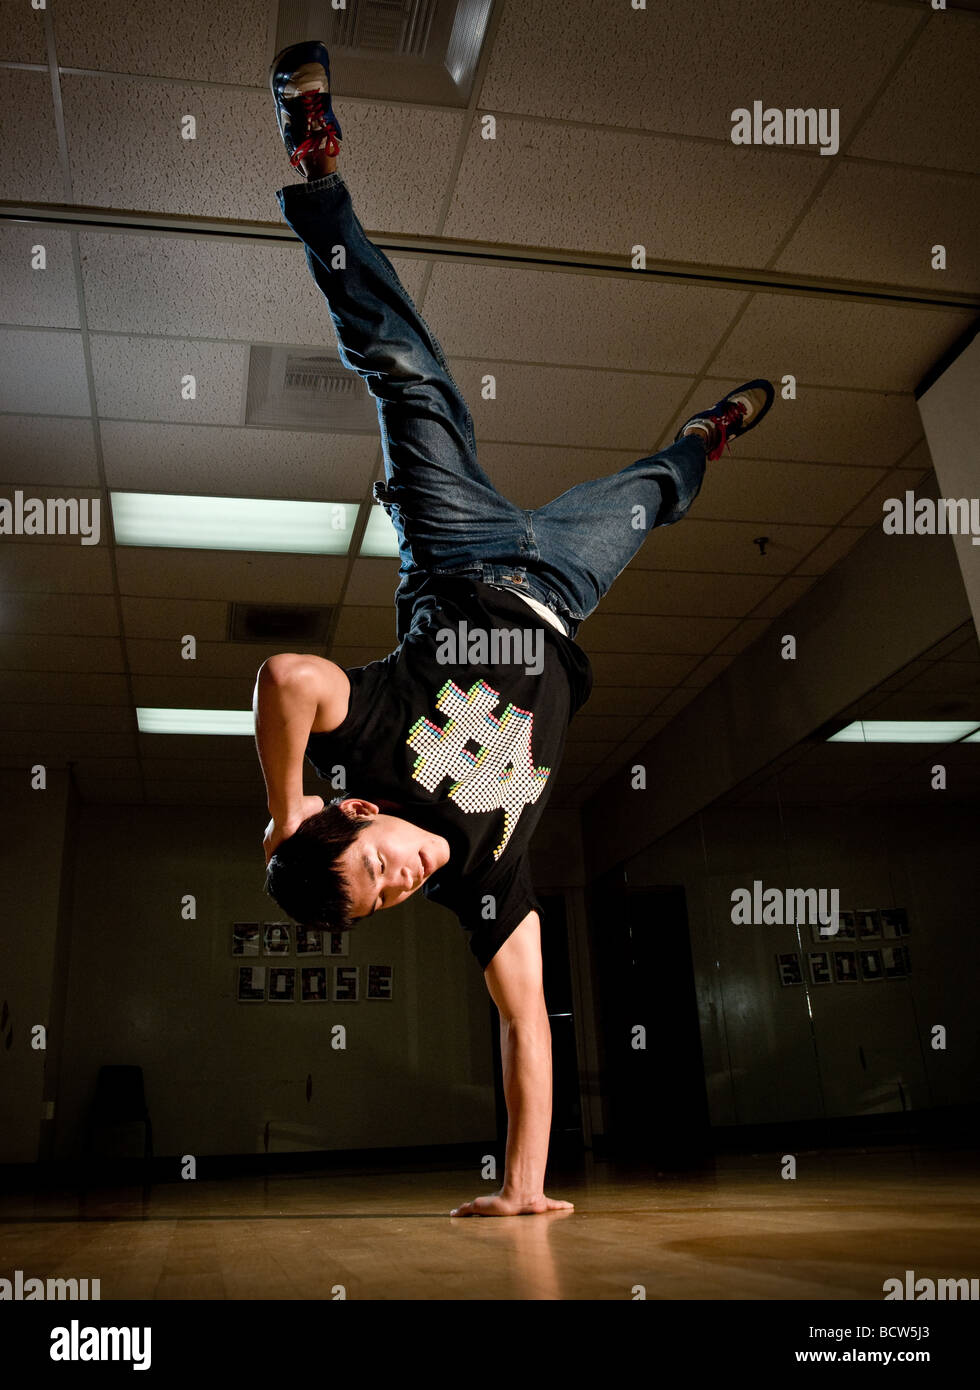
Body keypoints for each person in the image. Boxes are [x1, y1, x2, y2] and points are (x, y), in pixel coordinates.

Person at [254, 41, 775, 1217]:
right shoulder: (484, 882)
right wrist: (523, 1190)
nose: (400, 882)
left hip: (457, 554)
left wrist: (286, 804)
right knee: (652, 492)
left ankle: (316, 169)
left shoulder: (361, 753)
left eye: (375, 870)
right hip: (561, 590)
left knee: (409, 374)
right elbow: (528, 1027)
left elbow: (287, 674)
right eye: (388, 903)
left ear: (357, 815)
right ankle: (707, 435)